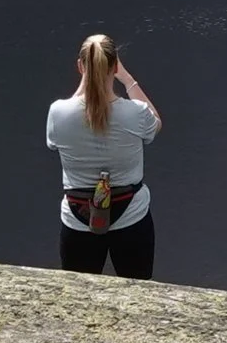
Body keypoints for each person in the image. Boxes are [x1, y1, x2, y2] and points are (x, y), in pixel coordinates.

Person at [46, 33, 161, 278]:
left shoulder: (58, 113)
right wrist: (127, 78)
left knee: (79, 297)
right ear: (115, 66)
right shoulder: (136, 113)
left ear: (80, 67)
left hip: (78, 219)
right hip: (131, 216)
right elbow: (156, 123)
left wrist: (85, 84)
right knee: (138, 295)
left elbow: (54, 144)